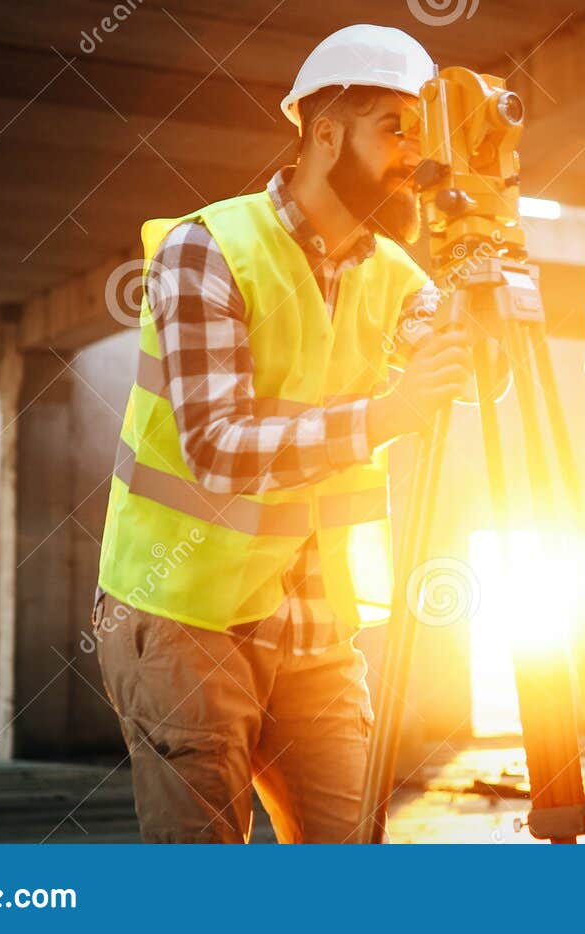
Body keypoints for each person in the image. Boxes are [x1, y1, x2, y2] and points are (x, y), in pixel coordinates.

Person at [92, 25, 470, 843]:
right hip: (185, 618)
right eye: (396, 128)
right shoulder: (207, 250)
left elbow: (473, 371)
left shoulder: (399, 275)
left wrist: (484, 294)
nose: (415, 154)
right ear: (324, 132)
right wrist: (383, 417)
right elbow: (218, 446)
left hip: (316, 626)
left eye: (423, 133)